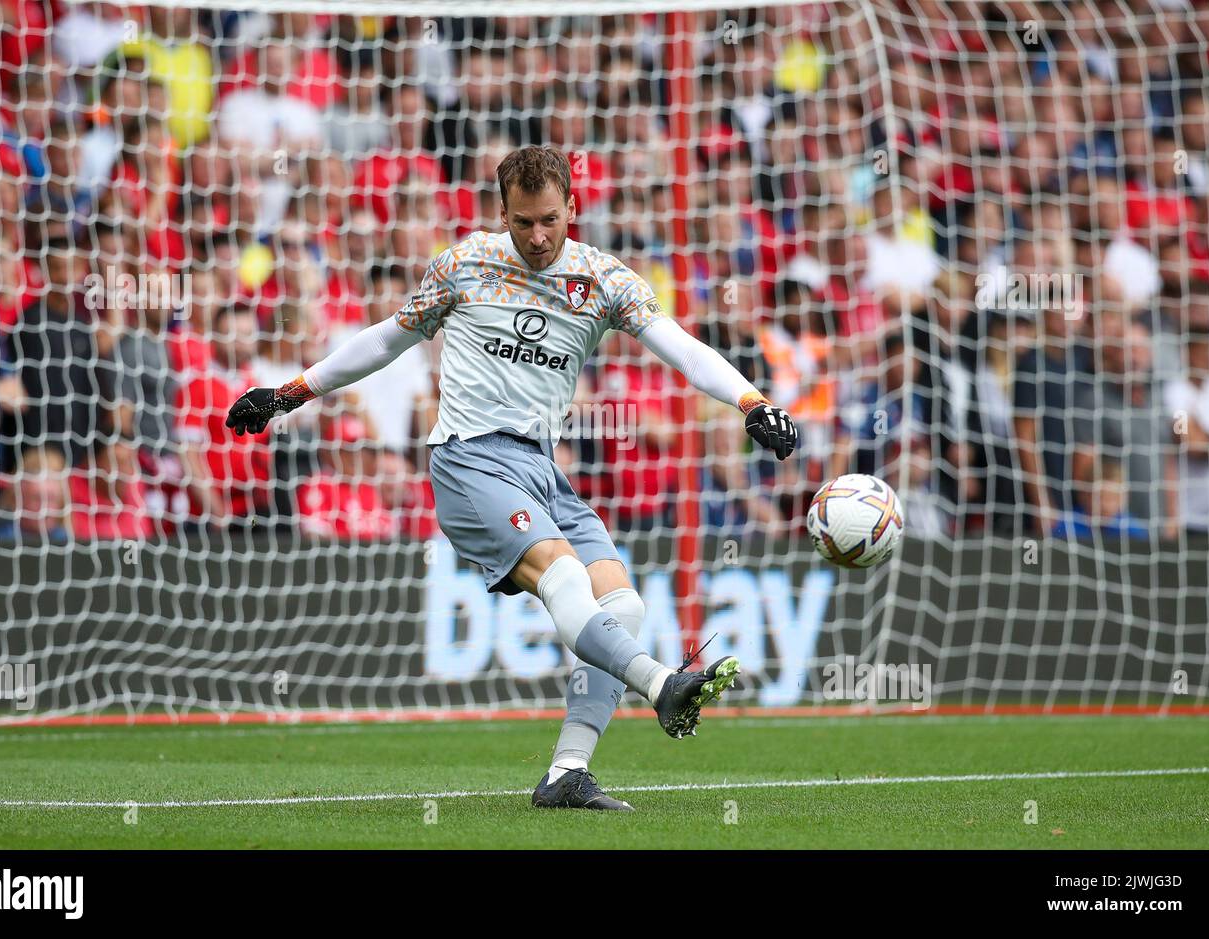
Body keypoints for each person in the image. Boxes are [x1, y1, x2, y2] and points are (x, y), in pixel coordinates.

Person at [225, 146, 798, 811]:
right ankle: (662, 682)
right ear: (503, 213)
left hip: (541, 469)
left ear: (573, 209)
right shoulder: (465, 264)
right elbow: (387, 337)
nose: (537, 236)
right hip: (468, 459)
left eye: (550, 219)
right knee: (561, 573)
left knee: (624, 603)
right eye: (523, 221)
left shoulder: (603, 280)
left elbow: (681, 347)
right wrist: (293, 391)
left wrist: (751, 401)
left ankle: (566, 773)